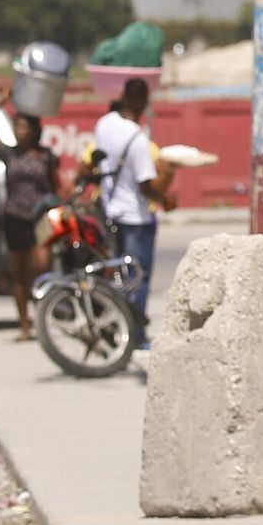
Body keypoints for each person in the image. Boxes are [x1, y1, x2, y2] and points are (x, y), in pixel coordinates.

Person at [92, 79, 176, 347]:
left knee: (116, 276)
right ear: (142, 101)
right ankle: (135, 335)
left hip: (110, 213)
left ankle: (116, 329)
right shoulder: (138, 140)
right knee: (138, 279)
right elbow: (146, 187)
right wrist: (168, 186)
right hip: (136, 219)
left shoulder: (104, 125)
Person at [0, 89, 62, 341]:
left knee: (41, 269)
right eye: (17, 127)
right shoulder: (9, 153)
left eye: (24, 127)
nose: (20, 131)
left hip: (40, 219)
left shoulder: (46, 157)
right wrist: (0, 101)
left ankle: (43, 320)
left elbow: (57, 188)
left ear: (35, 130)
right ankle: (25, 326)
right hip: (15, 218)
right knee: (19, 275)